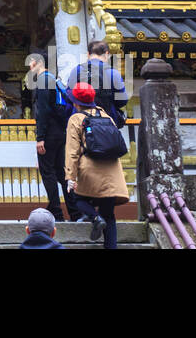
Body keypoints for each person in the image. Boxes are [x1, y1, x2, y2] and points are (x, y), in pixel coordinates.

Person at [65, 82, 130, 248]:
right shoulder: (105, 115)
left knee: (77, 198)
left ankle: (95, 218)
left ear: (76, 102)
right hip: (112, 171)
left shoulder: (76, 118)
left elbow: (72, 151)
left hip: (90, 168)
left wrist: (70, 177)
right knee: (109, 215)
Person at [27, 51, 73, 221]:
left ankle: (56, 210)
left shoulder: (43, 80)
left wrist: (40, 138)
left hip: (49, 134)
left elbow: (43, 111)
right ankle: (74, 211)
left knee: (48, 172)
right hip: (60, 132)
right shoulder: (53, 79)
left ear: (37, 62)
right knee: (62, 173)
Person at [71, 41, 128, 128]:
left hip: (81, 122)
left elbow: (69, 96)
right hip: (107, 122)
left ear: (88, 54)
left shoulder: (76, 71)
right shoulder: (113, 73)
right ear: (106, 54)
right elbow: (122, 100)